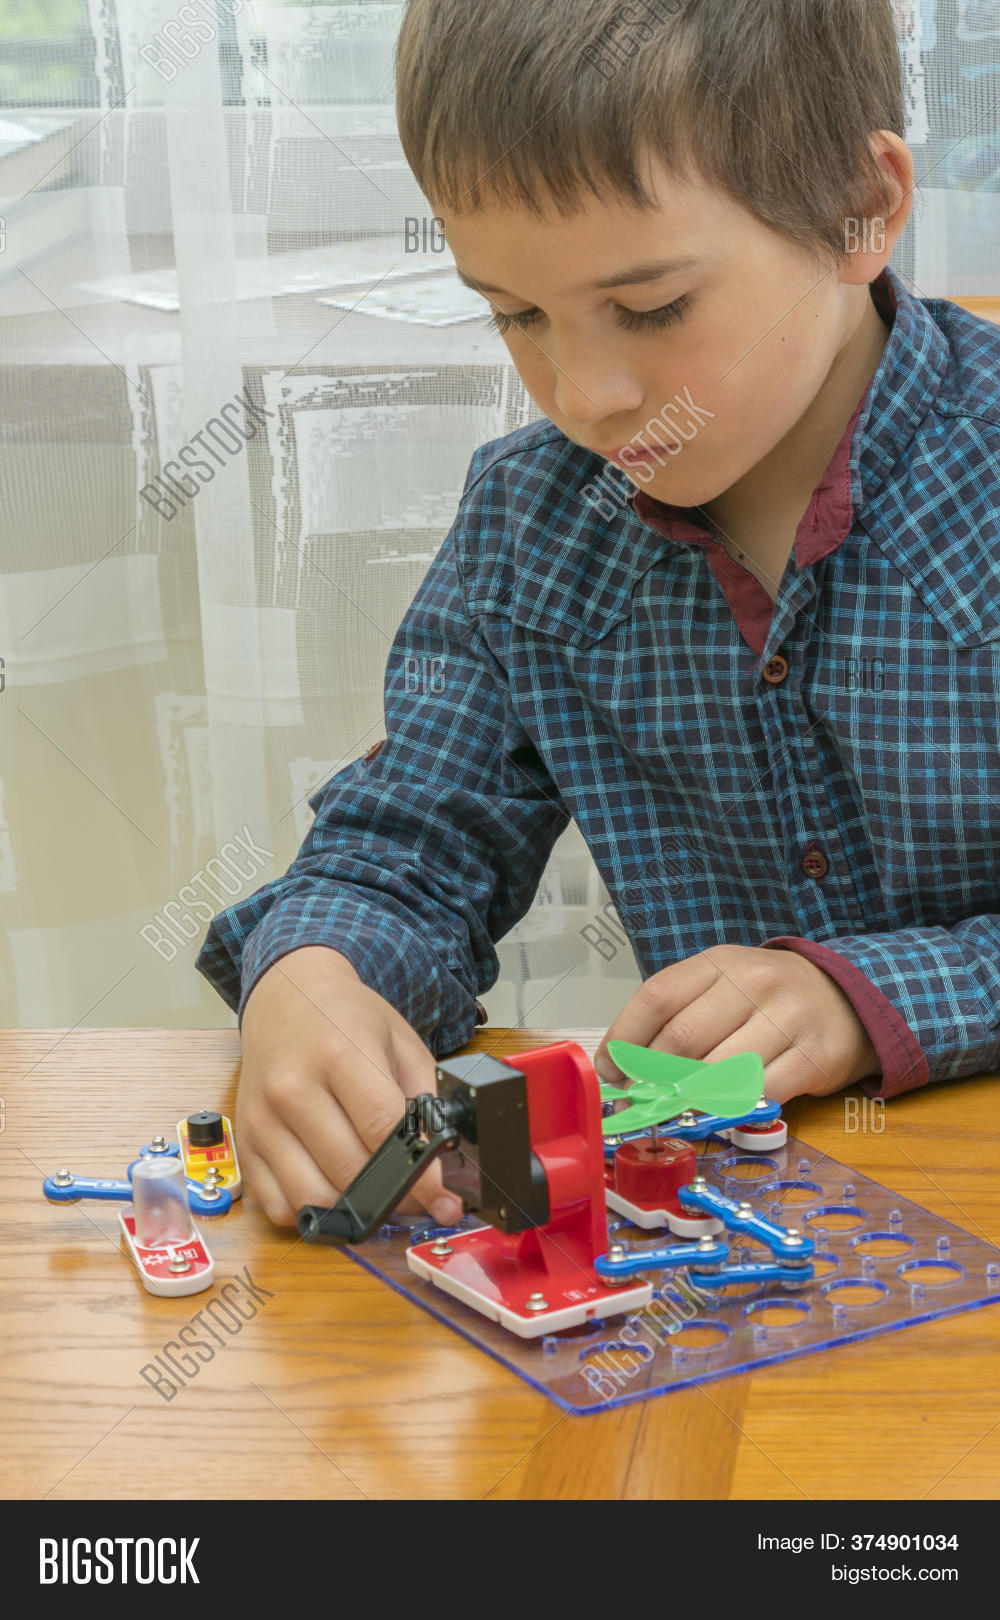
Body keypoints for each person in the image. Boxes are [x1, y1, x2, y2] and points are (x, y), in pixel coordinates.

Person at [196, 0, 1000, 1226]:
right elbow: (406, 850)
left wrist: (871, 995)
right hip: (736, 1259)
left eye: (652, 306)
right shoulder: (531, 526)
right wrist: (310, 977)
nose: (583, 395)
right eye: (516, 315)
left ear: (861, 207)